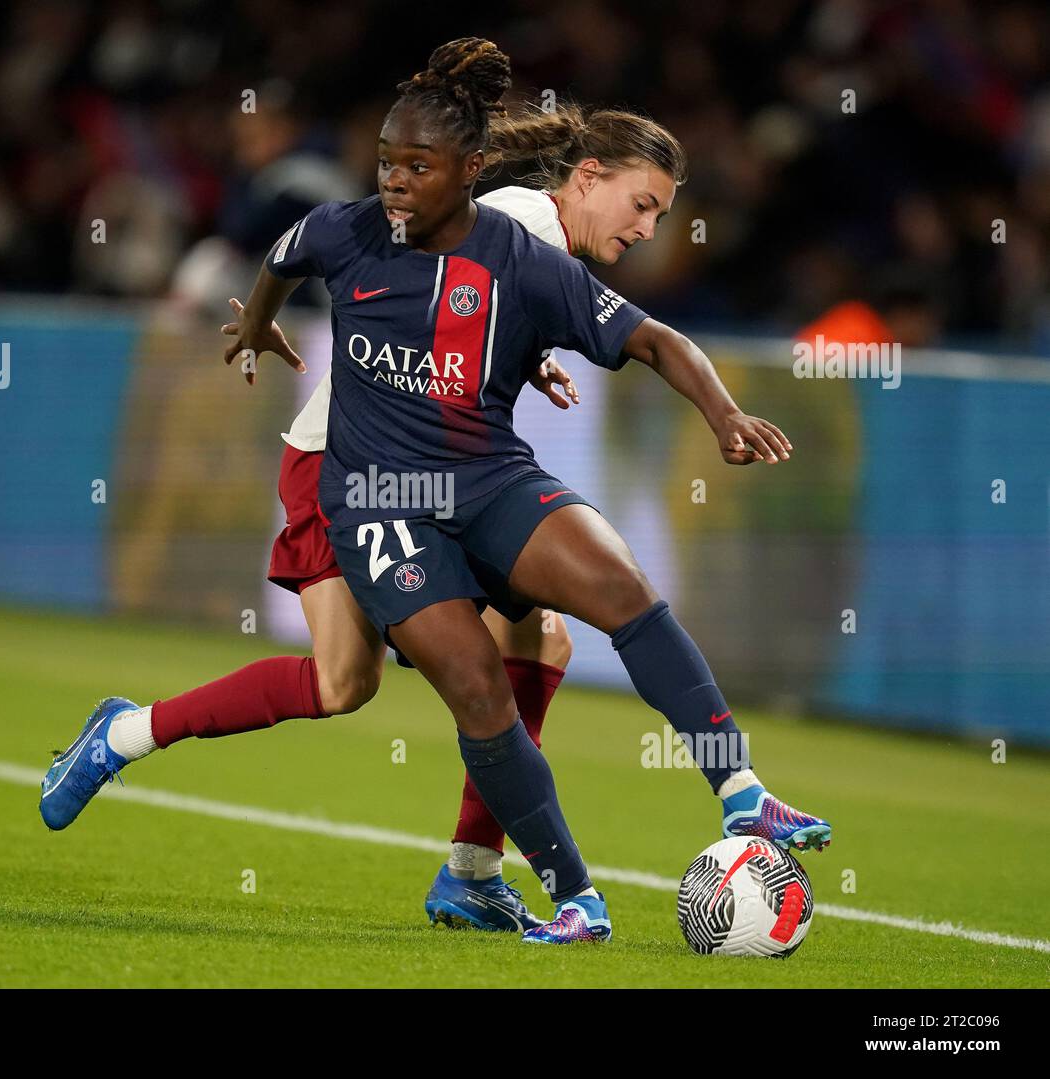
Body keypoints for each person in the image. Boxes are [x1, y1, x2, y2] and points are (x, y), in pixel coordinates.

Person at [43, 38, 832, 944]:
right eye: (641, 203)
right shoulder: (503, 222)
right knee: (349, 682)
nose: (647, 228)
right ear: (587, 176)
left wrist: (523, 359)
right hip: (348, 466)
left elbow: (471, 320)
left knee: (535, 639)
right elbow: (384, 282)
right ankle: (130, 734)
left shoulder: (518, 238)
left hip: (445, 469)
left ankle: (480, 870)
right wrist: (265, 321)